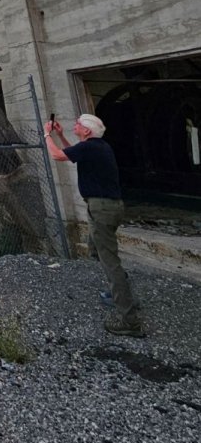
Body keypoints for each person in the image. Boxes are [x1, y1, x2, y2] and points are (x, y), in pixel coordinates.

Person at [45, 113, 145, 337]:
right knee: (96, 250)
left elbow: (58, 155)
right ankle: (122, 294)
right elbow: (73, 155)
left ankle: (129, 319)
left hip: (102, 208)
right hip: (104, 207)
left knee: (110, 261)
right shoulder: (96, 148)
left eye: (79, 125)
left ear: (87, 131)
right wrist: (60, 135)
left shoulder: (91, 148)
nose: (76, 126)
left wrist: (46, 134)